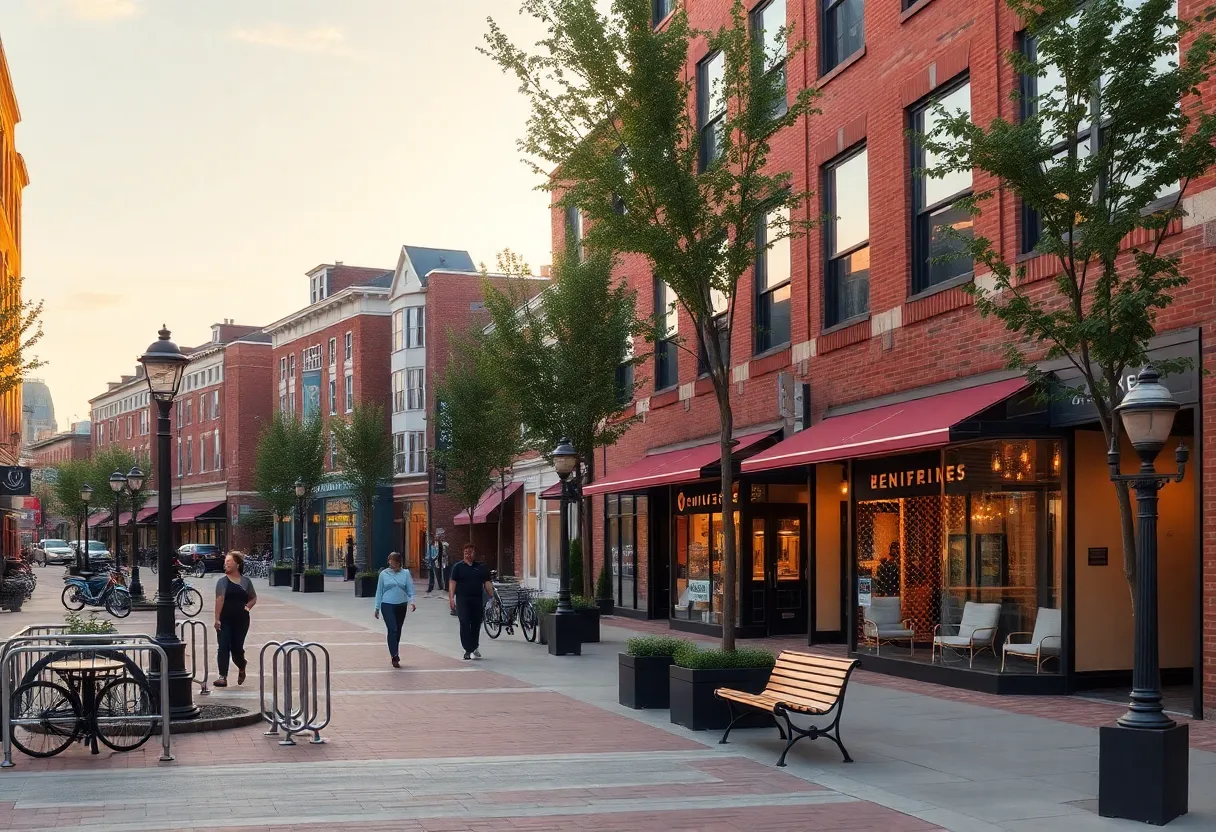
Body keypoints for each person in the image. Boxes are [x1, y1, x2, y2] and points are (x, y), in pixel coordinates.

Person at [213, 551, 257, 687]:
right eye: (225, 561)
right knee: (223, 647)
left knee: (237, 649)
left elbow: (253, 597)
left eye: (229, 561)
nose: (226, 564)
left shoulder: (245, 581)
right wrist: (217, 619)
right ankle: (222, 676)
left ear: (237, 564)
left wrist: (247, 607)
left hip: (241, 621)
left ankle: (242, 666)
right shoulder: (222, 582)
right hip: (225, 620)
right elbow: (219, 600)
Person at [449, 542, 494, 660]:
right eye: (466, 552)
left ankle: (474, 646)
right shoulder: (458, 567)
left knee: (475, 624)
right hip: (462, 599)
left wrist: (492, 596)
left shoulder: (481, 567)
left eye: (471, 552)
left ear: (475, 554)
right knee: (464, 622)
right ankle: (467, 648)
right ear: (463, 553)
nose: (469, 555)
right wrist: (451, 599)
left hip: (477, 599)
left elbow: (487, 583)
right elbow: (453, 583)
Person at [373, 552, 416, 667]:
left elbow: (410, 589)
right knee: (392, 628)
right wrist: (376, 607)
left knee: (398, 629)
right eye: (391, 563)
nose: (393, 566)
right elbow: (379, 591)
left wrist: (412, 601)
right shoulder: (384, 574)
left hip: (401, 604)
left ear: (399, 563)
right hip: (387, 604)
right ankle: (394, 655)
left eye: (395, 563)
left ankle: (394, 649)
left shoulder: (405, 573)